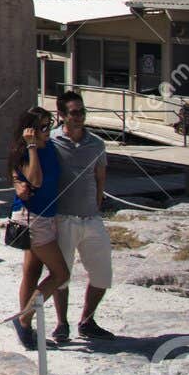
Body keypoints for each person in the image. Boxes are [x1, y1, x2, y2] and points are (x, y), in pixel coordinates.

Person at [46, 90, 116, 342]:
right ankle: (61, 323)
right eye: (74, 113)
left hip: (91, 218)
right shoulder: (51, 142)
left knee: (102, 273)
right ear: (62, 115)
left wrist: (96, 206)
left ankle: (87, 320)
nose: (79, 117)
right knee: (61, 274)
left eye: (82, 112)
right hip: (63, 218)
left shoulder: (96, 143)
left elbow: (100, 177)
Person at [8, 106, 69, 350]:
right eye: (42, 127)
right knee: (61, 274)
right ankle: (24, 317)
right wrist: (32, 146)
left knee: (32, 273)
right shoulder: (25, 151)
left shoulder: (51, 146)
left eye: (48, 126)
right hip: (32, 217)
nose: (46, 131)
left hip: (46, 215)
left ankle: (25, 328)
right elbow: (35, 180)